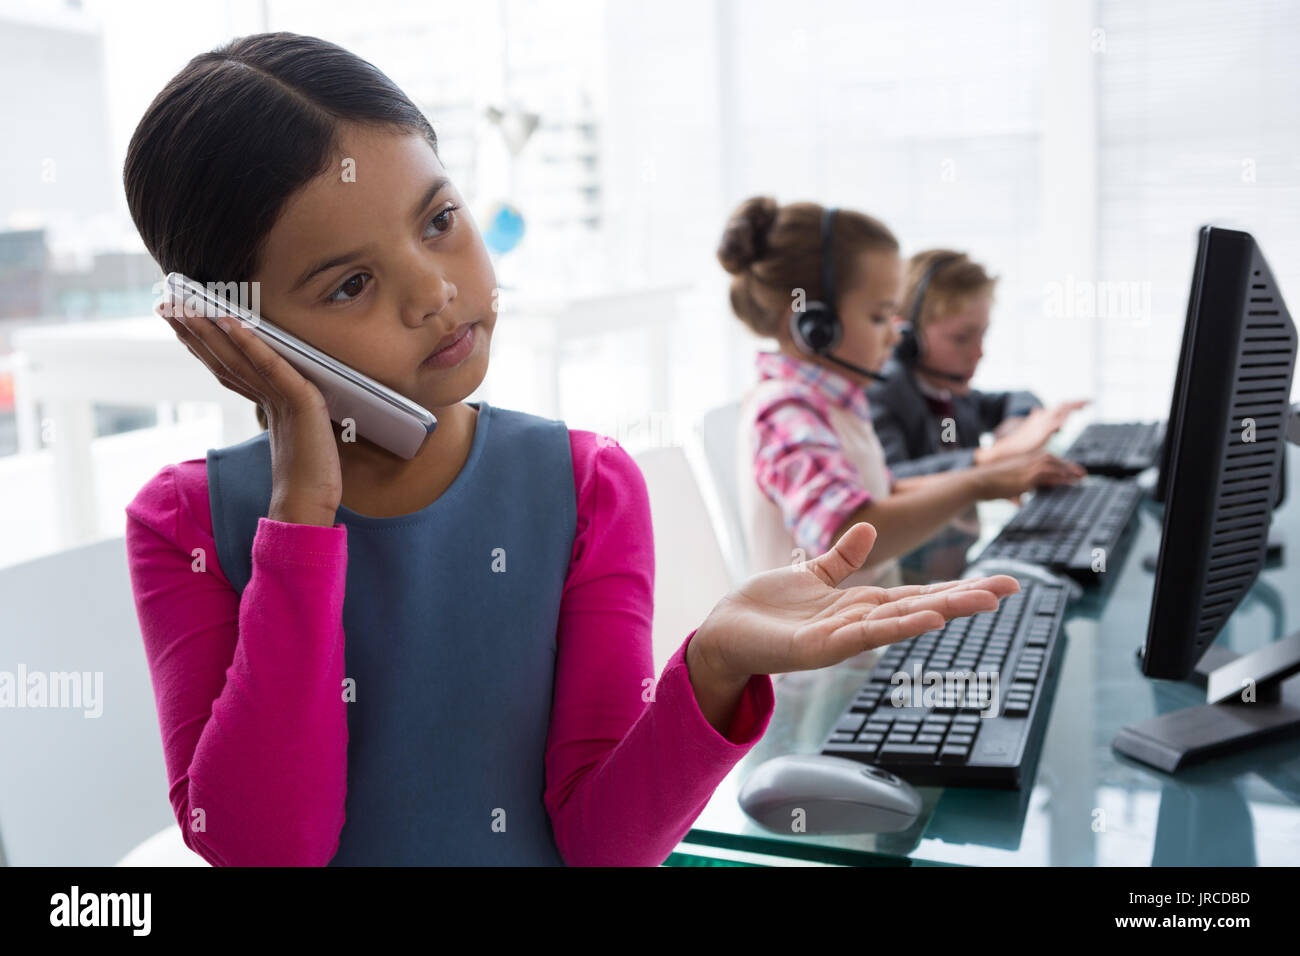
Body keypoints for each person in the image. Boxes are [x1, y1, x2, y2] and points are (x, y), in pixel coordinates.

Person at [121, 33, 1023, 867]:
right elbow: (267, 848)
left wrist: (712, 669)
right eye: (352, 282)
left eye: (438, 219)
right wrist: (302, 519)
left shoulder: (584, 487)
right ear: (228, 328)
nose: (436, 290)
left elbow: (601, 845)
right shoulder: (185, 523)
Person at [720, 198, 1085, 590]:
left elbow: (882, 489)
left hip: (863, 633)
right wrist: (976, 483)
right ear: (815, 324)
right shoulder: (784, 408)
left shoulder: (834, 401)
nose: (895, 335)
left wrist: (997, 477)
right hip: (819, 649)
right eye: (879, 317)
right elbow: (846, 532)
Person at [869, 249, 1088, 479]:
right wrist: (995, 455)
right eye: (961, 338)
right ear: (906, 337)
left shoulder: (946, 397)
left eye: (983, 335)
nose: (979, 353)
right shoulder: (882, 394)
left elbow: (1017, 398)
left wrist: (1015, 424)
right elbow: (891, 480)